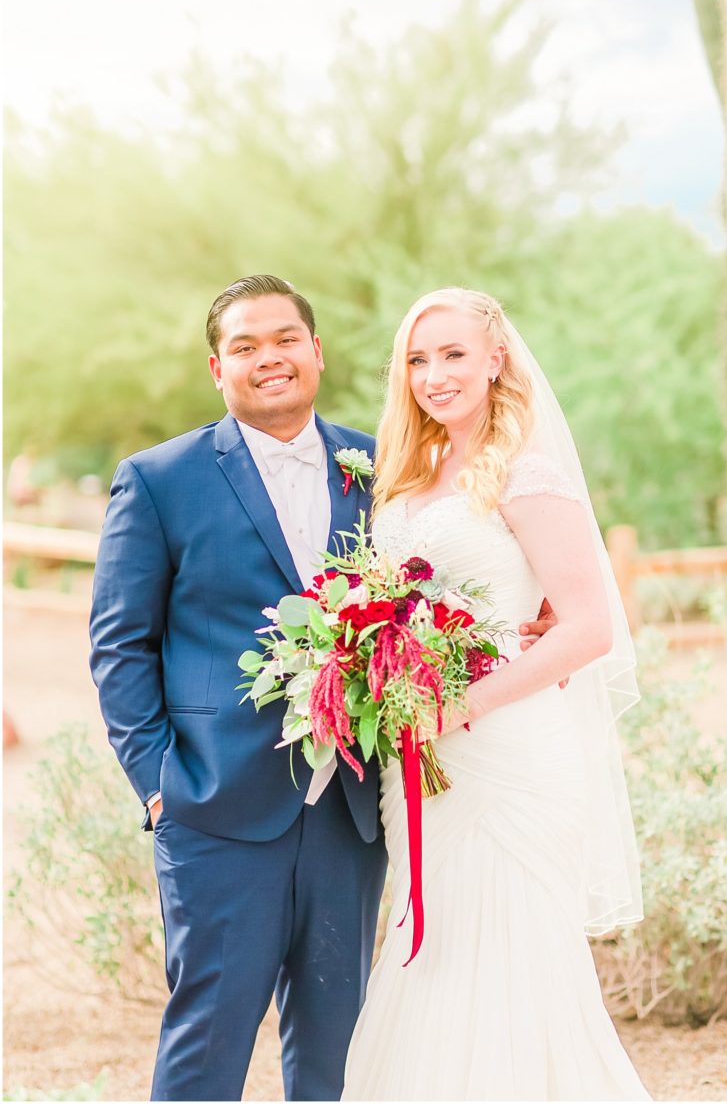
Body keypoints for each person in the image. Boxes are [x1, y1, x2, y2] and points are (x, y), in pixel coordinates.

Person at [342, 287, 650, 1101]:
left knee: (513, 954)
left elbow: (589, 627)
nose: (433, 375)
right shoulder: (413, 472)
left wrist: (462, 703)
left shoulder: (527, 470)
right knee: (430, 948)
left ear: (495, 358)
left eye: (451, 354)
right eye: (416, 359)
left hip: (509, 752)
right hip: (426, 756)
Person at [88, 275, 389, 1102]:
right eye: (246, 346)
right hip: (215, 811)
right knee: (207, 1049)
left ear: (317, 352)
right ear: (217, 369)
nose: (270, 358)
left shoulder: (376, 465)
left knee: (338, 1052)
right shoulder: (158, 479)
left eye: (286, 338)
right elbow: (119, 647)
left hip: (350, 811)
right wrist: (160, 788)